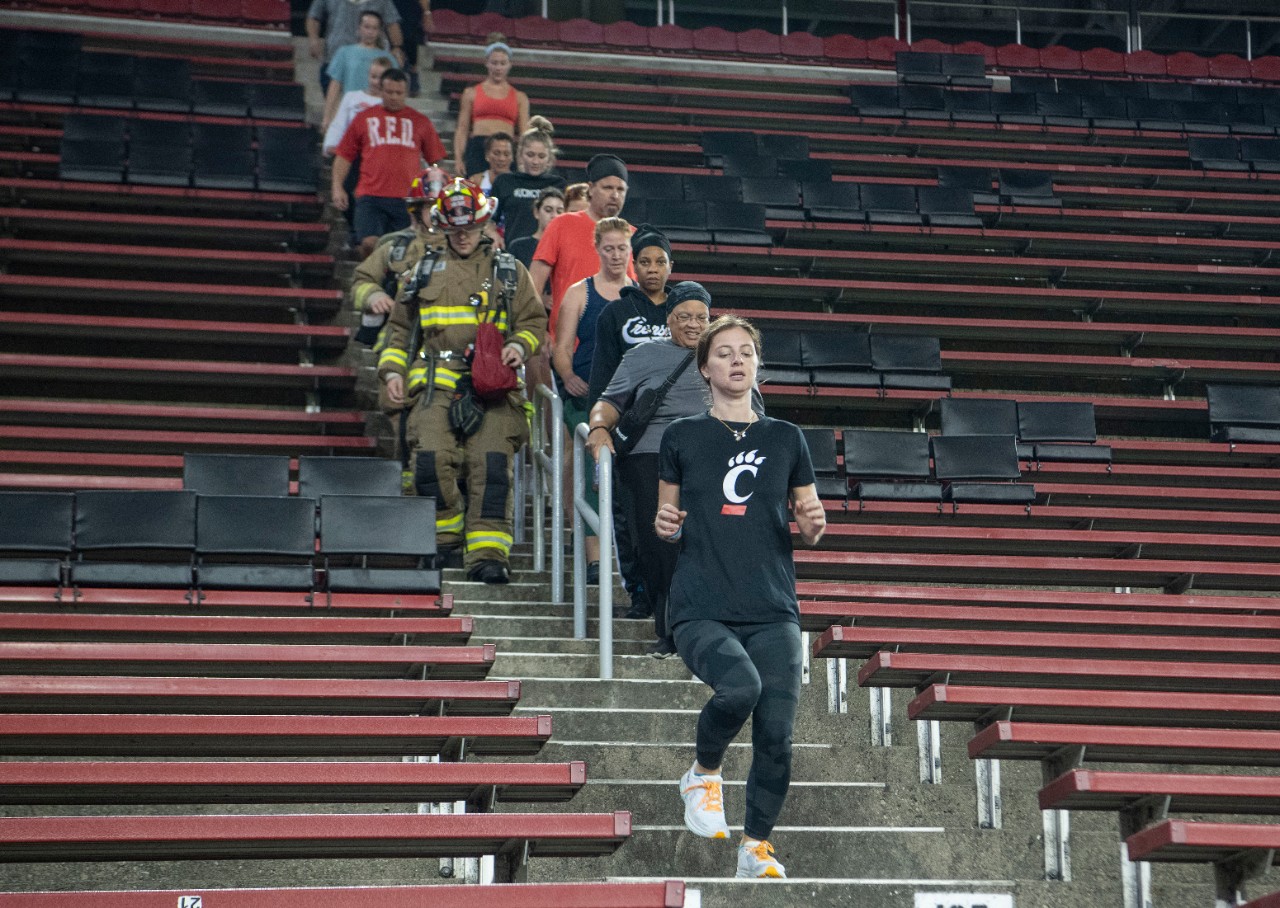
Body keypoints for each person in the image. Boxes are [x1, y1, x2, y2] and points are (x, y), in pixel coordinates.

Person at [656, 314, 825, 881]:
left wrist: (814, 523)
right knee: (740, 688)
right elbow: (666, 517)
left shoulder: (786, 437)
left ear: (757, 364)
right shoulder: (681, 436)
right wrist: (664, 524)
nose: (736, 360)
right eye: (724, 352)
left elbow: (810, 522)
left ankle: (756, 847)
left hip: (772, 604)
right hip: (701, 602)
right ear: (705, 369)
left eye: (746, 352)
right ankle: (703, 774)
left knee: (777, 732)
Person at [378, 178, 546, 585]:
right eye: (455, 230)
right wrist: (392, 372)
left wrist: (518, 346)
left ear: (484, 223)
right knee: (429, 460)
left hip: (493, 388)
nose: (464, 236)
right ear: (442, 227)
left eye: (470, 228)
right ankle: (444, 540)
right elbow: (399, 330)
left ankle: (488, 555)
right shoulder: (421, 272)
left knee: (491, 467)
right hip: (434, 386)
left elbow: (533, 322)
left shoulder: (510, 270)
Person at [586, 281, 714, 657]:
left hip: (709, 458)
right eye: (684, 316)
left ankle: (703, 626)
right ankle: (669, 630)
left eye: (701, 317)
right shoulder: (643, 354)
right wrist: (598, 428)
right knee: (661, 546)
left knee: (706, 545)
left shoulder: (724, 353)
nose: (693, 324)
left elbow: (752, 407)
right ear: (668, 319)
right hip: (650, 458)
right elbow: (609, 402)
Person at [586, 224, 673, 619]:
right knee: (630, 521)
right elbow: (602, 378)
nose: (652, 269)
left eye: (660, 261)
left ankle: (675, 599)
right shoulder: (615, 313)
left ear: (671, 266)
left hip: (676, 433)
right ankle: (640, 595)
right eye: (645, 262)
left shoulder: (684, 311)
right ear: (634, 265)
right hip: (630, 435)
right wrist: (600, 427)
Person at [552, 216, 634, 584]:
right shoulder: (579, 293)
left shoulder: (639, 295)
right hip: (587, 397)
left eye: (622, 248)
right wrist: (568, 376)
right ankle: (596, 559)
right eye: (609, 248)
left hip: (630, 401)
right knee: (591, 465)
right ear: (597, 249)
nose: (616, 255)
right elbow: (562, 347)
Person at [332, 68, 448, 260]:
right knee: (368, 243)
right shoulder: (364, 118)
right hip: (370, 194)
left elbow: (436, 161)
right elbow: (344, 155)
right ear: (380, 90)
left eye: (399, 93)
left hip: (407, 198)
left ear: (406, 93)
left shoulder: (421, 122)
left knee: (404, 251)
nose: (394, 97)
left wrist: (437, 194)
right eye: (389, 92)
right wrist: (337, 187)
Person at [529, 153, 631, 340]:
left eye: (620, 189)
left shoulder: (632, 235)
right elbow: (534, 284)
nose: (615, 195)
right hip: (568, 344)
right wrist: (539, 332)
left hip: (620, 346)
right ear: (590, 189)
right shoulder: (561, 225)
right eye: (607, 187)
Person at [453, 35, 529, 179]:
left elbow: (524, 133)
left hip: (506, 149)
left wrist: (523, 160)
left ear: (509, 65)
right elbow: (462, 129)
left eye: (502, 63)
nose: (498, 68)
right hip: (478, 149)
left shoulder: (520, 97)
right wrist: (458, 159)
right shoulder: (471, 93)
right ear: (487, 63)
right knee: (475, 188)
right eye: (494, 63)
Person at [491, 117, 564, 249]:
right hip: (514, 252)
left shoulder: (558, 185)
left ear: (549, 158)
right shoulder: (504, 181)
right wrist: (493, 234)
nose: (535, 161)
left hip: (549, 253)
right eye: (530, 155)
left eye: (541, 156)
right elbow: (487, 219)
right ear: (520, 155)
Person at [306, 0, 403, 95]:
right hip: (333, 56)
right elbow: (313, 16)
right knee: (332, 95)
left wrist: (397, 47)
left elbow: (392, 23)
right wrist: (313, 39)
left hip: (370, 64)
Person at [322, 11, 390, 134]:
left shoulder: (387, 58)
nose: (370, 32)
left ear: (379, 31)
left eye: (374, 28)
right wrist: (327, 116)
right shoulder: (344, 52)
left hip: (378, 114)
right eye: (367, 27)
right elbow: (335, 85)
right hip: (351, 111)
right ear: (359, 28)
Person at [322, 55, 393, 157]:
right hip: (351, 151)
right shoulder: (351, 97)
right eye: (373, 77)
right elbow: (339, 124)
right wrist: (331, 144)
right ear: (368, 75)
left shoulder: (389, 103)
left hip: (376, 154)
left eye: (381, 78)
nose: (376, 82)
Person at [506, 185, 564, 269]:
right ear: (536, 212)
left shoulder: (568, 248)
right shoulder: (517, 246)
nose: (554, 215)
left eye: (559, 211)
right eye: (548, 210)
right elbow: (508, 275)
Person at [391, 0, 431, 96]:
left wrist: (427, 13)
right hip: (392, 7)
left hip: (411, 11)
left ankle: (413, 74)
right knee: (394, 42)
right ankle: (396, 76)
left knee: (411, 41)